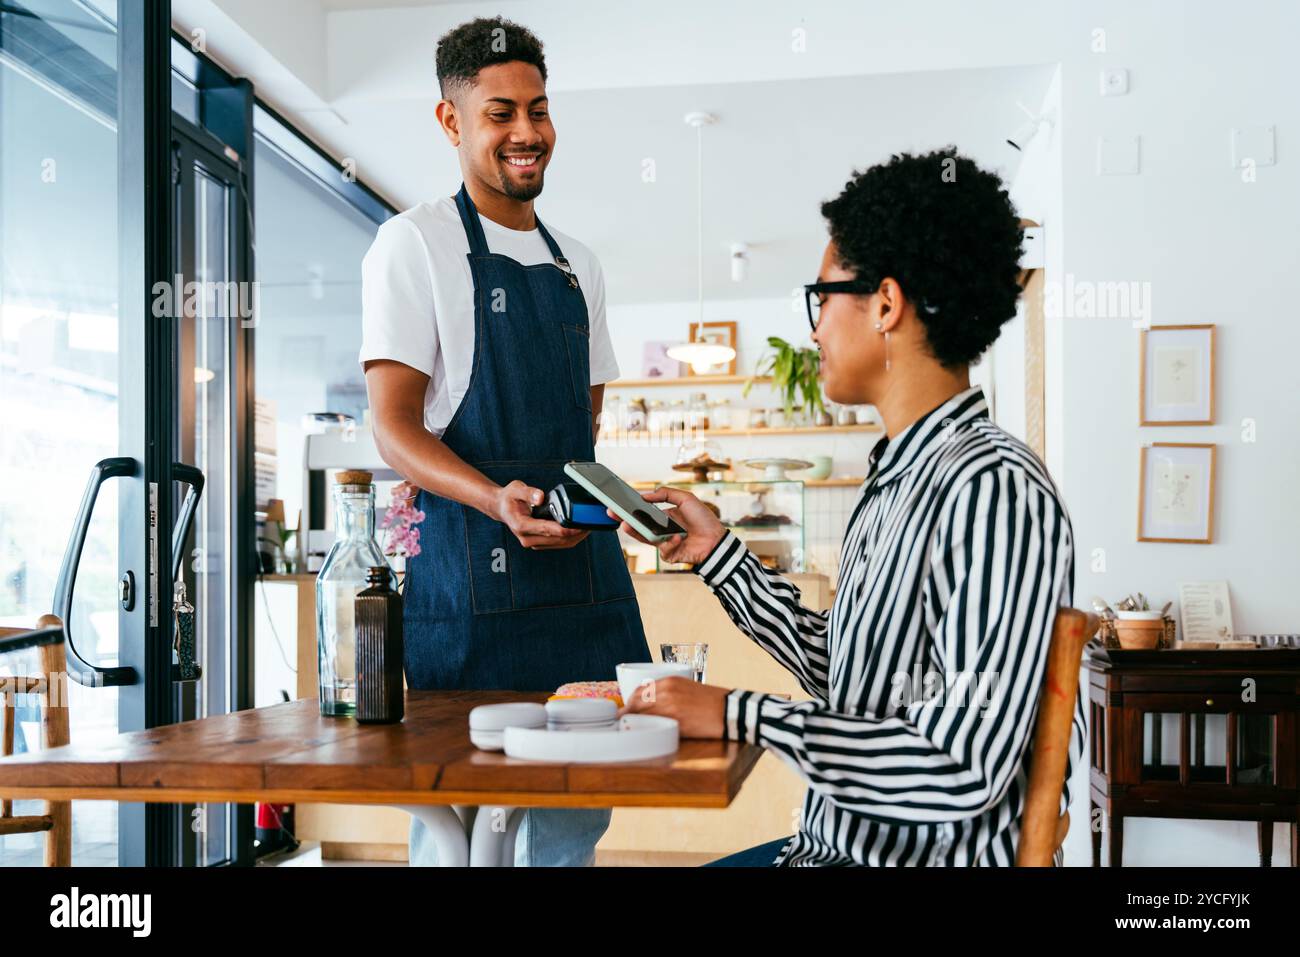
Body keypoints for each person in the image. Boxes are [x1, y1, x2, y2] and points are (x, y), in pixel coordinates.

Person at [618, 148, 1085, 866]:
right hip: (826, 849)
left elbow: (960, 764)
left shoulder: (992, 488)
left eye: (823, 296)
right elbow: (851, 676)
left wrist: (737, 713)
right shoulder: (899, 478)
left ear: (887, 304)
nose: (814, 330)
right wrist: (718, 554)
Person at [360, 16, 650, 867]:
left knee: (572, 819)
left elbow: (579, 430)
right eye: (499, 113)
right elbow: (393, 426)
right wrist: (495, 497)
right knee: (459, 821)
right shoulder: (413, 244)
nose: (527, 133)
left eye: (539, 109)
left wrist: (615, 509)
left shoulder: (577, 266)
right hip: (472, 582)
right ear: (451, 121)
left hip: (579, 579)